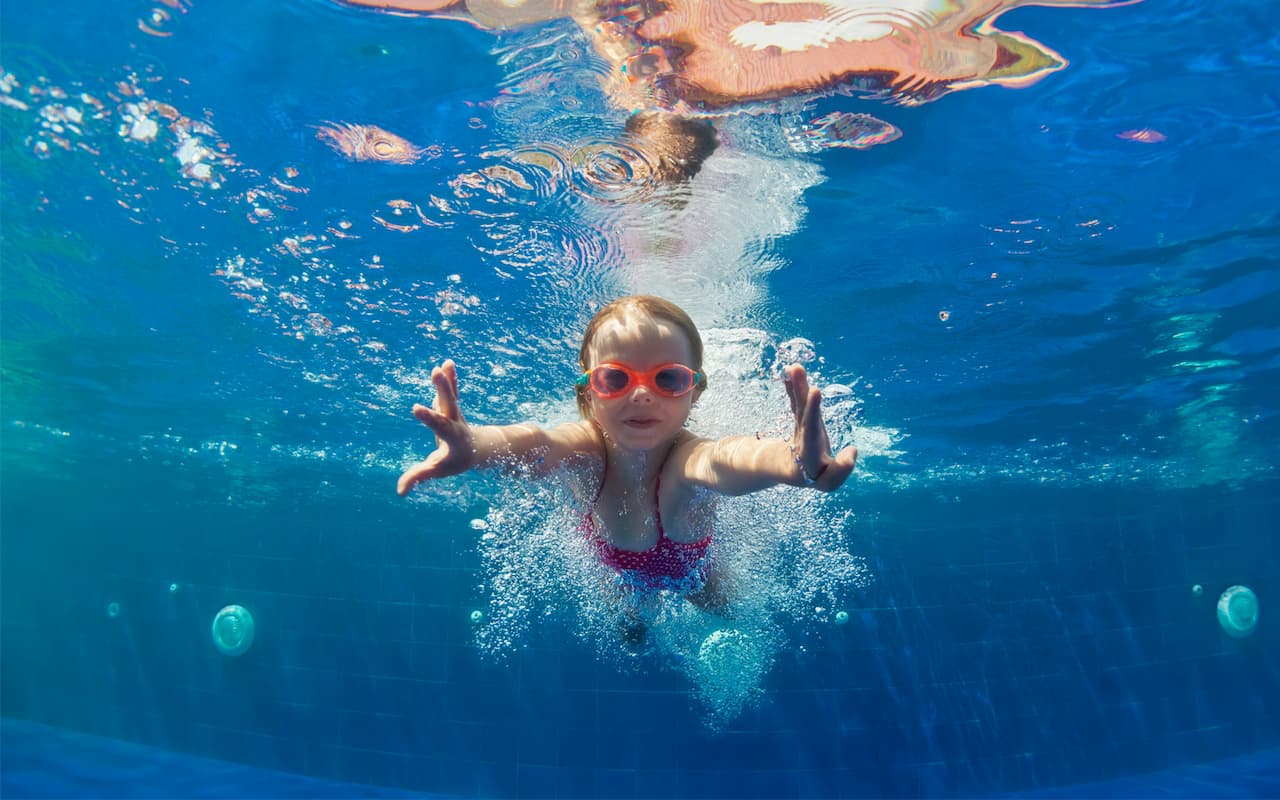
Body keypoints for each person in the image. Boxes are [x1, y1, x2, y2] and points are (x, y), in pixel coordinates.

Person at [397, 295, 858, 605]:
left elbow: (730, 458)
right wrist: (476, 446)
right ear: (588, 392)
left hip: (695, 567)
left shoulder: (686, 458)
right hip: (612, 566)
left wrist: (794, 463)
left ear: (694, 392)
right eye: (615, 379)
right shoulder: (586, 450)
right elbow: (537, 442)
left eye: (668, 379)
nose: (641, 395)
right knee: (626, 626)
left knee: (720, 608)